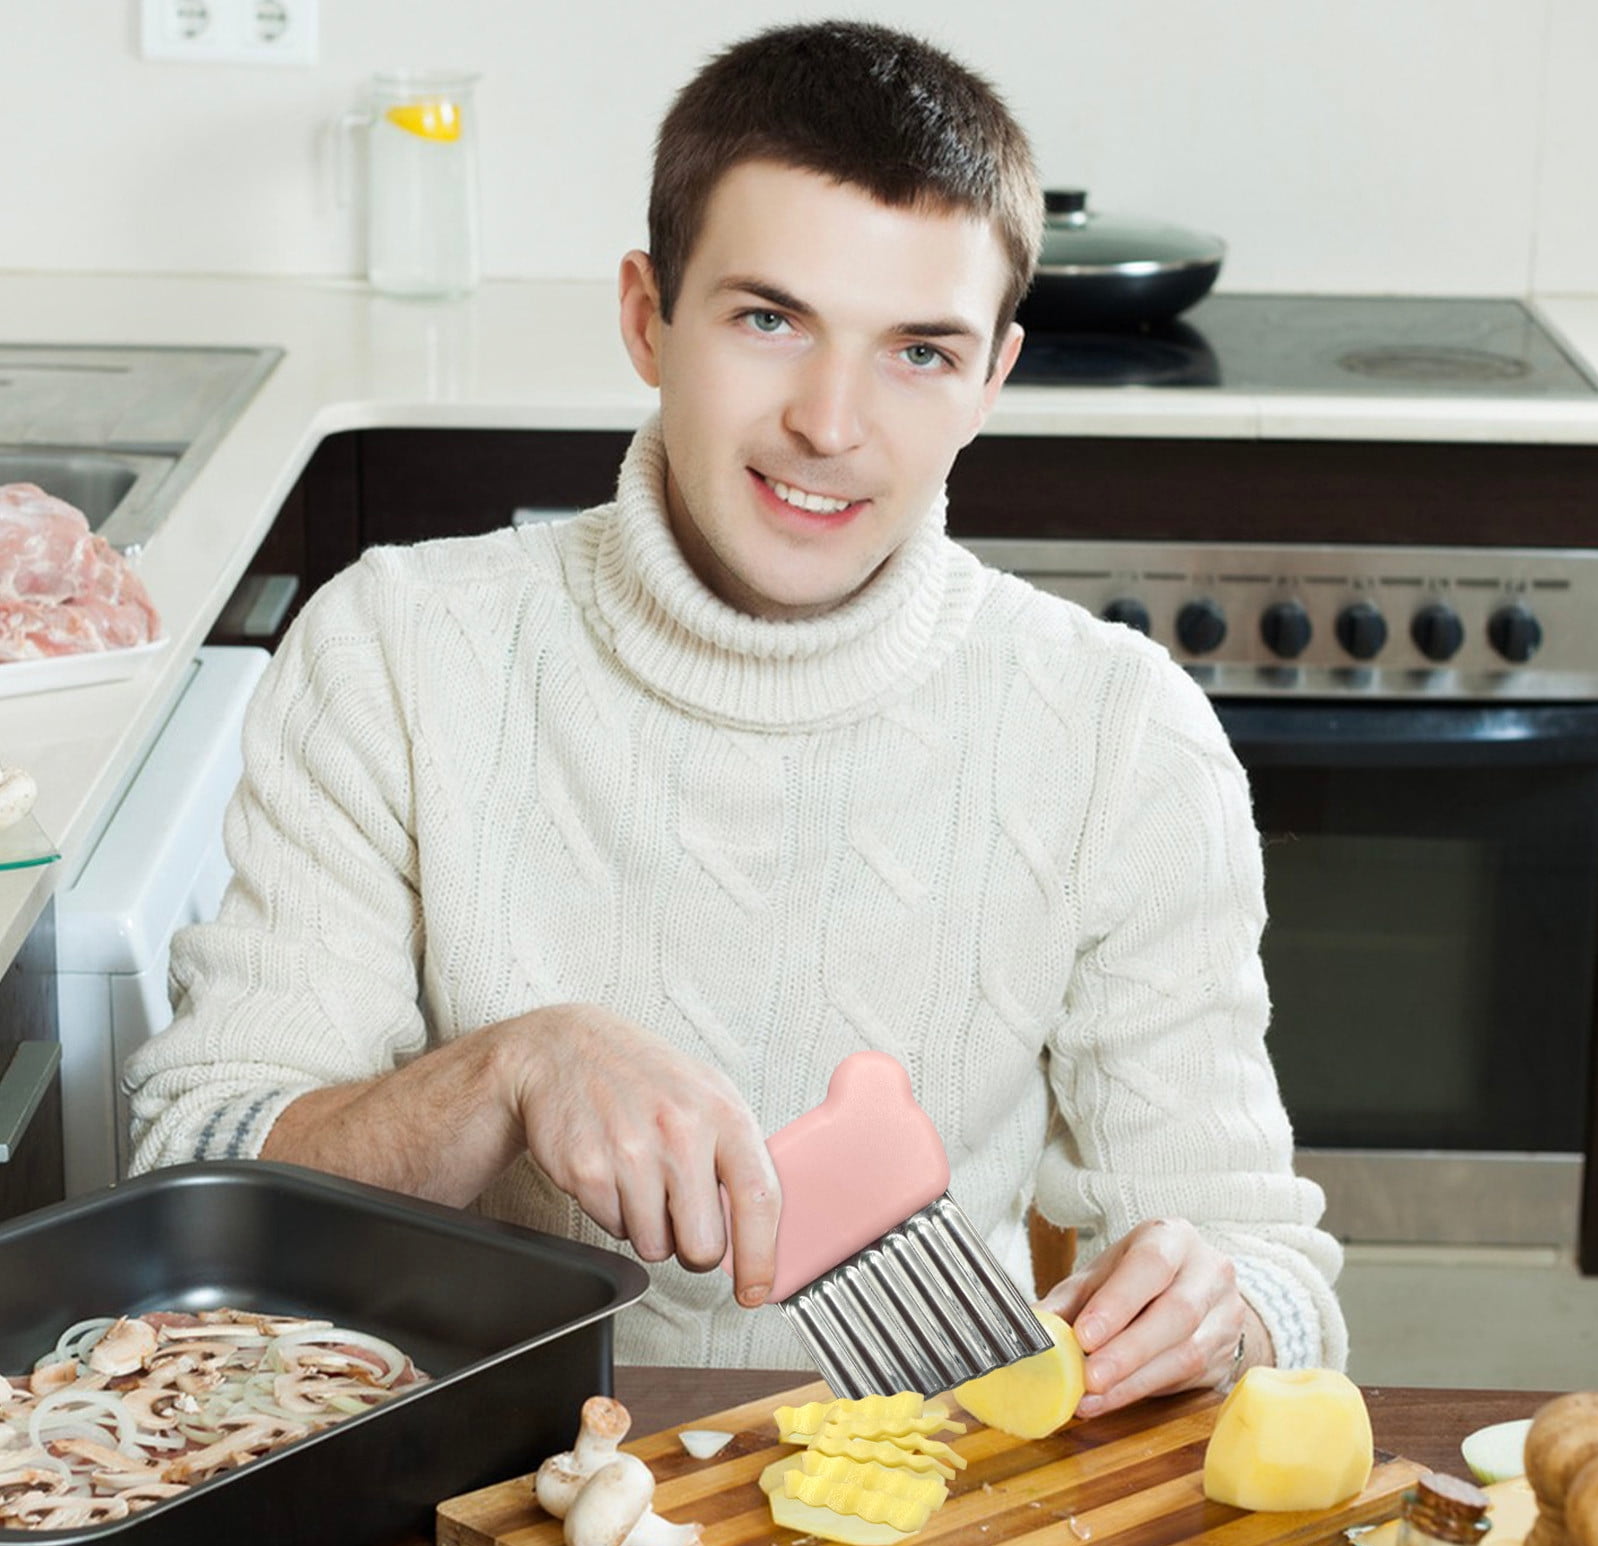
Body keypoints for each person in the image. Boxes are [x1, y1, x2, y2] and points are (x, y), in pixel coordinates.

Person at [127, 18, 1347, 1415]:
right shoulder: (398, 651)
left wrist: (1224, 1310)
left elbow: (1275, 1273)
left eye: (921, 353)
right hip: (488, 1492)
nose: (831, 423)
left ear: (993, 381)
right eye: (770, 321)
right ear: (649, 317)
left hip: (929, 1512)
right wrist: (508, 1070)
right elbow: (194, 1183)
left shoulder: (1119, 732)